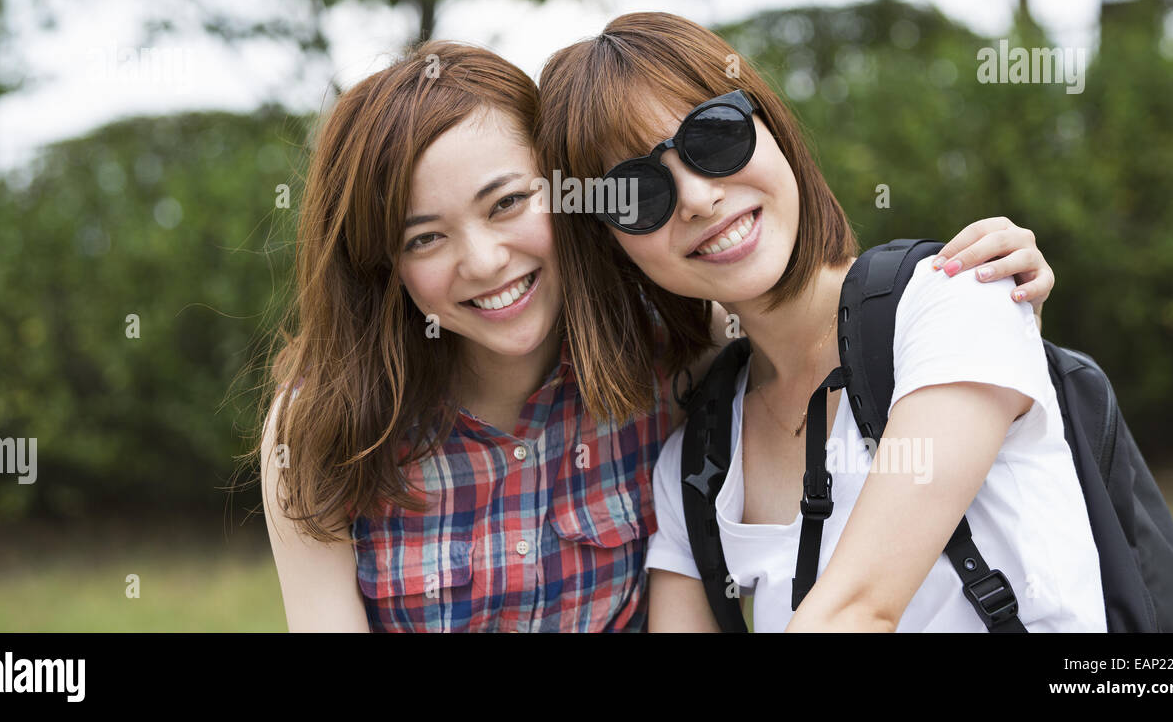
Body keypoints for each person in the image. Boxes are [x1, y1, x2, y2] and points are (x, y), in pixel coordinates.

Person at [256, 38, 1059, 631]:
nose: (482, 260)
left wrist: (972, 295)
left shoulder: (673, 357)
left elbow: (798, 297)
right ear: (383, 267)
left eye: (508, 204)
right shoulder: (325, 424)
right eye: (423, 238)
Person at [535, 12, 1104, 632]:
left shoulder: (951, 302)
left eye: (715, 137)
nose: (699, 199)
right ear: (611, 245)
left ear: (771, 124)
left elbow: (859, 611)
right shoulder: (694, 463)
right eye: (639, 193)